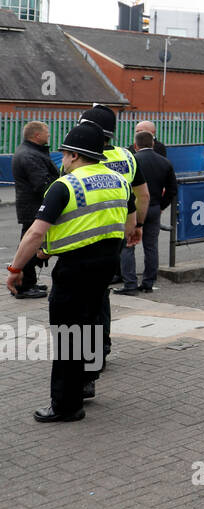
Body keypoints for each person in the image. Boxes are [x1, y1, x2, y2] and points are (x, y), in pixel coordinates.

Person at [6, 123, 130, 422]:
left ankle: (65, 405)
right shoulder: (117, 180)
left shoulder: (66, 185)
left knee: (67, 334)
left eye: (63, 154)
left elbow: (35, 232)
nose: (61, 159)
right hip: (107, 263)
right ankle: (87, 381)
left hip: (75, 268)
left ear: (74, 155)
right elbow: (100, 221)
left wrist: (15, 269)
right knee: (90, 323)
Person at [79, 106, 147, 388]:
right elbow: (142, 194)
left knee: (82, 302)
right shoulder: (127, 156)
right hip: (117, 235)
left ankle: (86, 364)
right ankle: (102, 347)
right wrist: (137, 226)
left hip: (83, 238)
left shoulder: (80, 157)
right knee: (101, 292)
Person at [118, 130, 177, 294]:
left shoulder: (131, 161)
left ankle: (130, 283)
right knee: (151, 247)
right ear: (153, 143)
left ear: (135, 145)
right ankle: (148, 282)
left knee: (128, 246)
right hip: (154, 208)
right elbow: (172, 189)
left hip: (134, 208)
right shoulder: (165, 162)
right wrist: (160, 206)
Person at [10, 120, 59, 298]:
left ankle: (28, 282)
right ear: (36, 135)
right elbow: (42, 184)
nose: (49, 135)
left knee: (29, 245)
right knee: (29, 246)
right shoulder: (30, 156)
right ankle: (23, 287)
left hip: (31, 206)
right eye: (47, 132)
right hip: (33, 208)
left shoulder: (31, 152)